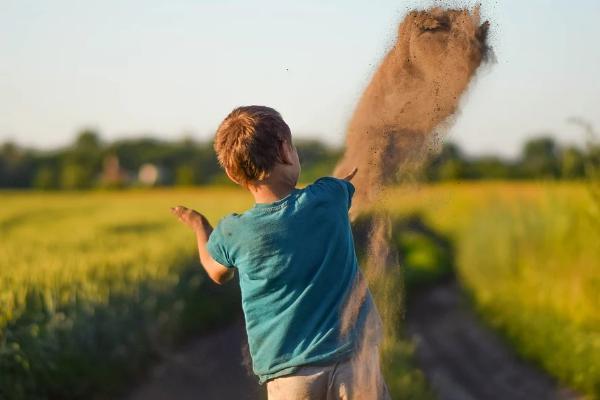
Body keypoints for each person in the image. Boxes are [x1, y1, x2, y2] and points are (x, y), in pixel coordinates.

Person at [171, 105, 389, 399]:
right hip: (354, 360)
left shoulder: (232, 232)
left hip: (289, 376)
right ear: (286, 150)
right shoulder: (329, 195)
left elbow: (215, 271)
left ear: (233, 175)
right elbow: (345, 186)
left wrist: (200, 226)